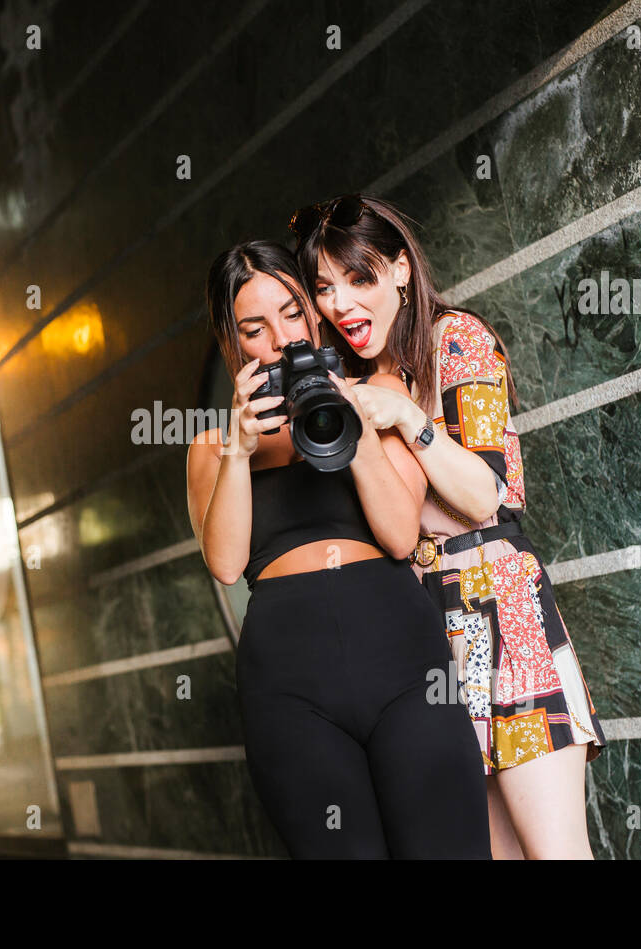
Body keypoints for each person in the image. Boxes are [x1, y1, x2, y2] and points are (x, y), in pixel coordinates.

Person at [291, 192, 606, 859]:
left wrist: (407, 418)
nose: (342, 303)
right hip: (430, 643)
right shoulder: (347, 387)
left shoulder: (453, 339)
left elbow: (489, 494)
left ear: (401, 270)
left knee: (556, 852)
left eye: (360, 277)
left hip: (506, 619)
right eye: (324, 287)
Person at [186, 239, 491, 859]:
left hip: (406, 665)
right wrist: (240, 452)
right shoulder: (212, 447)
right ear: (234, 343)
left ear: (315, 313)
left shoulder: (376, 398)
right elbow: (224, 564)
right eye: (255, 328)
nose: (280, 339)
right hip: (289, 688)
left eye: (293, 313)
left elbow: (402, 535)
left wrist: (348, 415)